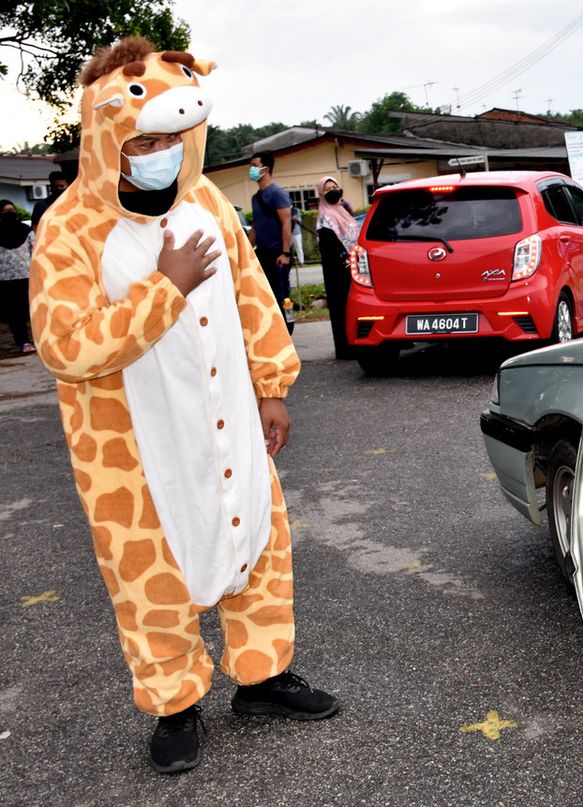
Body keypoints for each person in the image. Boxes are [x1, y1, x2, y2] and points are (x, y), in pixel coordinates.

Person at [29, 36, 338, 775]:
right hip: (136, 447)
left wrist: (271, 387)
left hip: (231, 420)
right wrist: (162, 288)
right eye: (147, 139)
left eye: (175, 136)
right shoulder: (68, 230)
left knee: (258, 544)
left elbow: (252, 296)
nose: (163, 150)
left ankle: (262, 677)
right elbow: (64, 346)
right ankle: (173, 703)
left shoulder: (206, 201)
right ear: (108, 135)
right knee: (149, 573)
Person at [247, 150, 294, 332]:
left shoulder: (277, 193)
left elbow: (286, 222)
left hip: (278, 255)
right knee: (265, 297)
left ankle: (286, 332)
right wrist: (247, 252)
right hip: (263, 254)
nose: (251, 169)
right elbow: (255, 228)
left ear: (265, 169)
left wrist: (285, 253)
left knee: (281, 296)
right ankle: (273, 332)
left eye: (254, 165)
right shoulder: (256, 198)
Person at [314, 176, 358, 360]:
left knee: (353, 306)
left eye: (335, 186)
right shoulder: (325, 217)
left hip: (352, 265)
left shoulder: (343, 211)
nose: (332, 190)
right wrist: (344, 260)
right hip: (337, 269)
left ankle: (355, 344)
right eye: (328, 188)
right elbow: (329, 245)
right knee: (340, 305)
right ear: (321, 194)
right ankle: (344, 348)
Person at [0, 200, 35, 353]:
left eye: (11, 211)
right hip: (4, 280)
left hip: (27, 276)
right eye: (5, 212)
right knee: (14, 313)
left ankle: (38, 339)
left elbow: (36, 251)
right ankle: (23, 342)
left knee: (30, 310)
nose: (9, 214)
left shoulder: (26, 231)